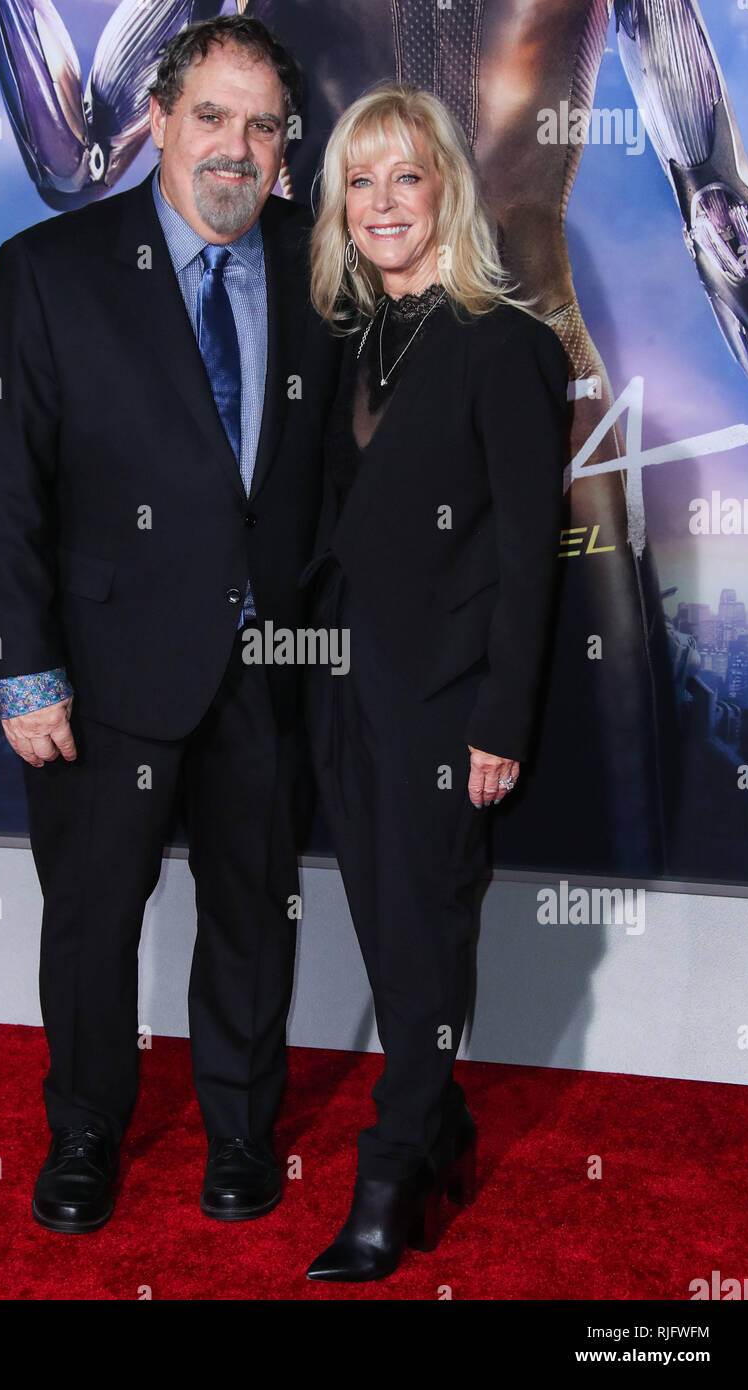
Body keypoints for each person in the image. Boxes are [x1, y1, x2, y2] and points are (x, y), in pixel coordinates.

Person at [0, 14, 337, 1233]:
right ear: (158, 122)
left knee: (251, 910)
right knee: (92, 918)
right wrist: (24, 672)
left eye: (262, 125)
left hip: (268, 667)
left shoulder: (315, 265)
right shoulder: (49, 270)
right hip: (104, 672)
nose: (235, 148)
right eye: (211, 117)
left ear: (286, 147)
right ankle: (81, 1134)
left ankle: (239, 1129)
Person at [302, 83, 570, 1281]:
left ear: (446, 189)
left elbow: (529, 554)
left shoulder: (505, 344)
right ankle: (444, 1119)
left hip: (445, 704)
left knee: (423, 936)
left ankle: (392, 1164)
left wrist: (499, 718)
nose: (382, 203)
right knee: (382, 926)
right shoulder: (339, 343)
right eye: (360, 181)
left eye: (405, 176)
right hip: (334, 692)